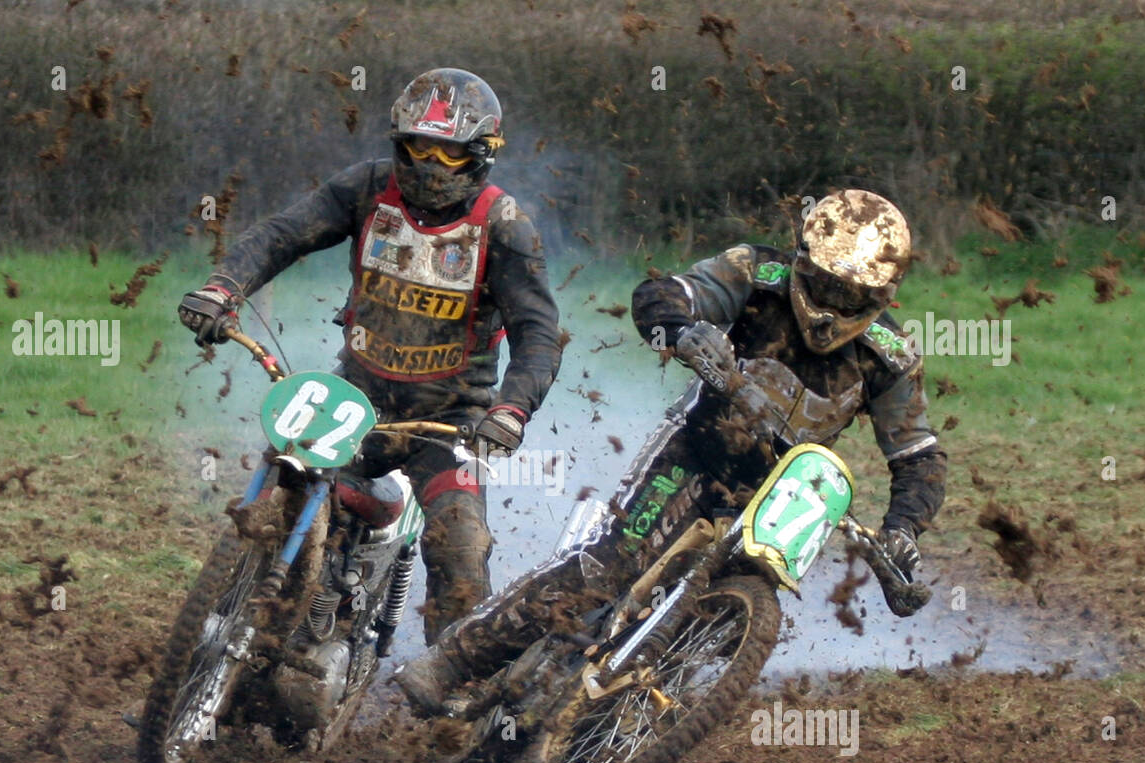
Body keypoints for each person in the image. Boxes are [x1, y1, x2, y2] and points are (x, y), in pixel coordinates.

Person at [393, 188, 946, 715]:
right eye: (825, 283)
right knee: (606, 566)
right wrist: (682, 333)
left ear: (881, 298)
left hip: (780, 492)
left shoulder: (890, 357)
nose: (832, 304)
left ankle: (637, 707)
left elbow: (918, 456)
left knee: (732, 625)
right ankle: (450, 662)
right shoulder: (757, 272)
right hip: (697, 447)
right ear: (802, 261)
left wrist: (903, 530)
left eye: (850, 295)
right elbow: (664, 293)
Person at [177, 68, 564, 642]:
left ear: (480, 155)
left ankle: (453, 695)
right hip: (353, 399)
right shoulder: (366, 187)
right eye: (420, 147)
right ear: (398, 142)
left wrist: (510, 410)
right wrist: (222, 288)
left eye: (450, 153)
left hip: (449, 420)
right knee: (288, 487)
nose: (432, 165)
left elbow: (538, 330)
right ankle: (215, 654)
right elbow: (284, 234)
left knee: (460, 546)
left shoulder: (503, 225)